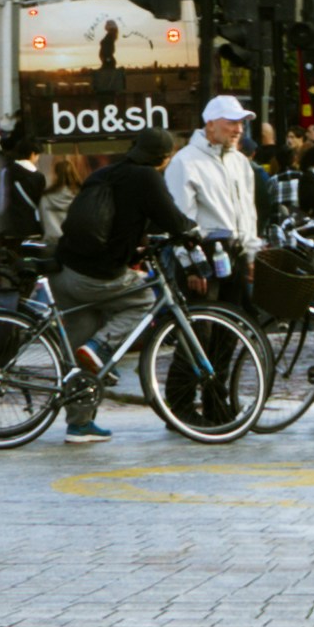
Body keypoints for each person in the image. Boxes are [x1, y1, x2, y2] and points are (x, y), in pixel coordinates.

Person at [44, 139, 197, 444]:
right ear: (164, 158)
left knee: (78, 356)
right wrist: (194, 232)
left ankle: (80, 425)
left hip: (66, 270)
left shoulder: (105, 174)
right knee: (143, 298)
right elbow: (171, 218)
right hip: (97, 276)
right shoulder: (147, 177)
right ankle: (101, 347)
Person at [166, 93, 266, 249]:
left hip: (240, 258)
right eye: (232, 122)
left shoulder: (240, 162)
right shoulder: (184, 162)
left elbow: (249, 214)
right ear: (211, 125)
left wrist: (252, 254)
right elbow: (181, 223)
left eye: (241, 123)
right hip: (205, 261)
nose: (239, 130)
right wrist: (192, 267)